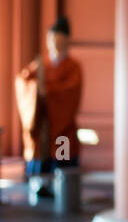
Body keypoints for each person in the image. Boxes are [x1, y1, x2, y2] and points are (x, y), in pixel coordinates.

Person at [15, 17, 83, 200]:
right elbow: (22, 80)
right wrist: (36, 90)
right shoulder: (41, 64)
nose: (54, 43)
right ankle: (40, 183)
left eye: (58, 39)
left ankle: (61, 184)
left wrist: (49, 92)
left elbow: (71, 91)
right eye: (51, 39)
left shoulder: (73, 67)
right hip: (43, 121)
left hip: (62, 122)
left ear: (67, 40)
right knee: (40, 149)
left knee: (62, 150)